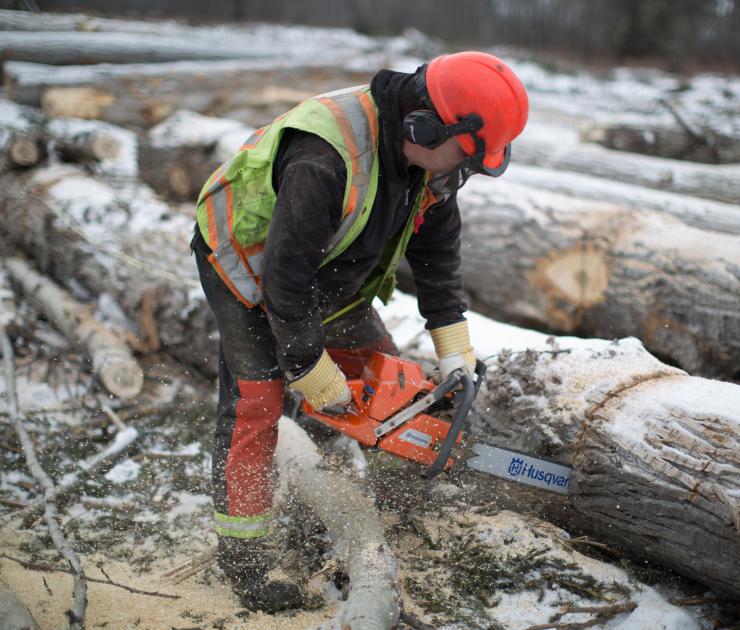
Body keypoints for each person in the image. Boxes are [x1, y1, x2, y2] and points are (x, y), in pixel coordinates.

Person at [191, 51, 528, 612]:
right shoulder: (326, 157)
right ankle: (244, 560)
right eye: (464, 158)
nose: (461, 174)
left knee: (387, 377)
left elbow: (437, 250)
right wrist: (305, 363)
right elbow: (285, 277)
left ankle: (357, 487)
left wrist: (453, 341)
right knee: (257, 400)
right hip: (247, 262)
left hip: (327, 262)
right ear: (424, 126)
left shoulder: (429, 161)